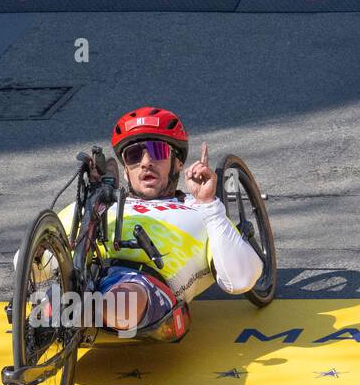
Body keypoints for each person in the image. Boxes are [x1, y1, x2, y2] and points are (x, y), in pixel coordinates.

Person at [64, 106, 264, 340]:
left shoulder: (200, 207)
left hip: (144, 282)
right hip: (89, 269)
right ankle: (71, 309)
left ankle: (80, 311)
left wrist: (210, 204)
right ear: (126, 170)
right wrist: (93, 201)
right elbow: (33, 255)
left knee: (123, 300)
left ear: (178, 162)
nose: (146, 162)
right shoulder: (104, 203)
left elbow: (241, 280)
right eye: (134, 156)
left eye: (157, 151)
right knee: (47, 302)